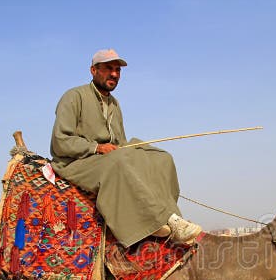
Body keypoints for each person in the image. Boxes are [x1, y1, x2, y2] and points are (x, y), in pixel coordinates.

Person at [50, 48, 201, 247]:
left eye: (118, 70)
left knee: (160, 158)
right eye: (108, 68)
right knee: (119, 161)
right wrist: (96, 147)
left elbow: (118, 142)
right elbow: (60, 141)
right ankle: (159, 221)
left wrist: (130, 149)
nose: (114, 74)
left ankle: (169, 217)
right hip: (76, 161)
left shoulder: (114, 104)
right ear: (93, 70)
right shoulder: (73, 97)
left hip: (107, 157)